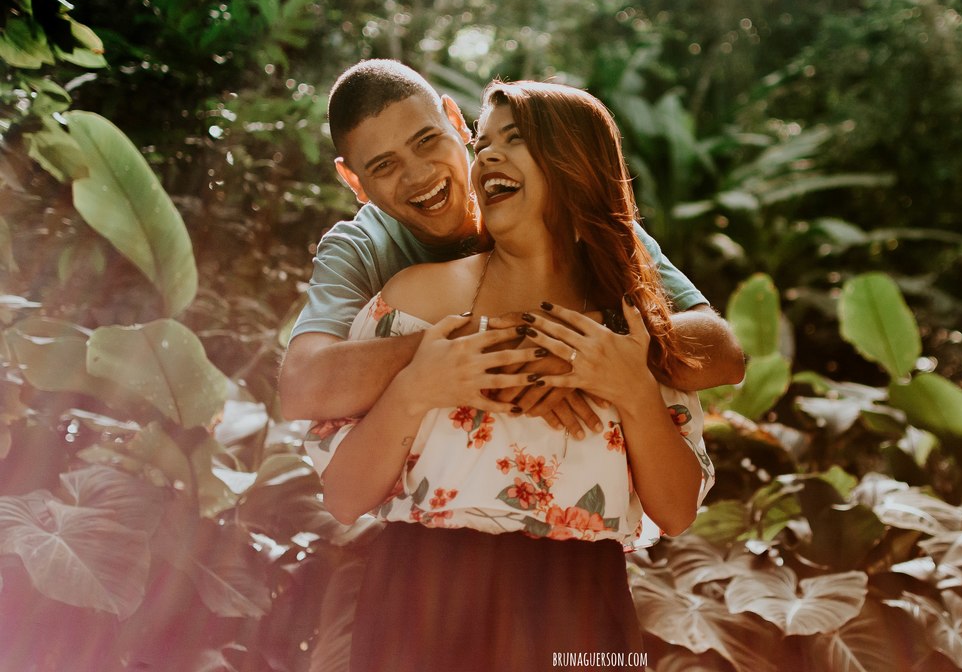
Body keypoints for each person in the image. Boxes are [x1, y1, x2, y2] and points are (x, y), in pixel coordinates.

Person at [305, 80, 717, 672]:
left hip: (584, 615)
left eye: (515, 138)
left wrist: (633, 391)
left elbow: (676, 512)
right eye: (485, 143)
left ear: (574, 164)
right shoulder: (415, 300)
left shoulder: (628, 327)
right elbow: (343, 498)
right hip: (422, 610)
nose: (488, 155)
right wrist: (416, 388)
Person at [278, 59, 745, 435]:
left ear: (456, 121)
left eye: (427, 140)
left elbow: (722, 353)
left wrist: (577, 350)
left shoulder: (565, 213)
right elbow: (301, 388)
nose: (418, 174)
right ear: (354, 181)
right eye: (384, 166)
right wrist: (489, 346)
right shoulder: (360, 247)